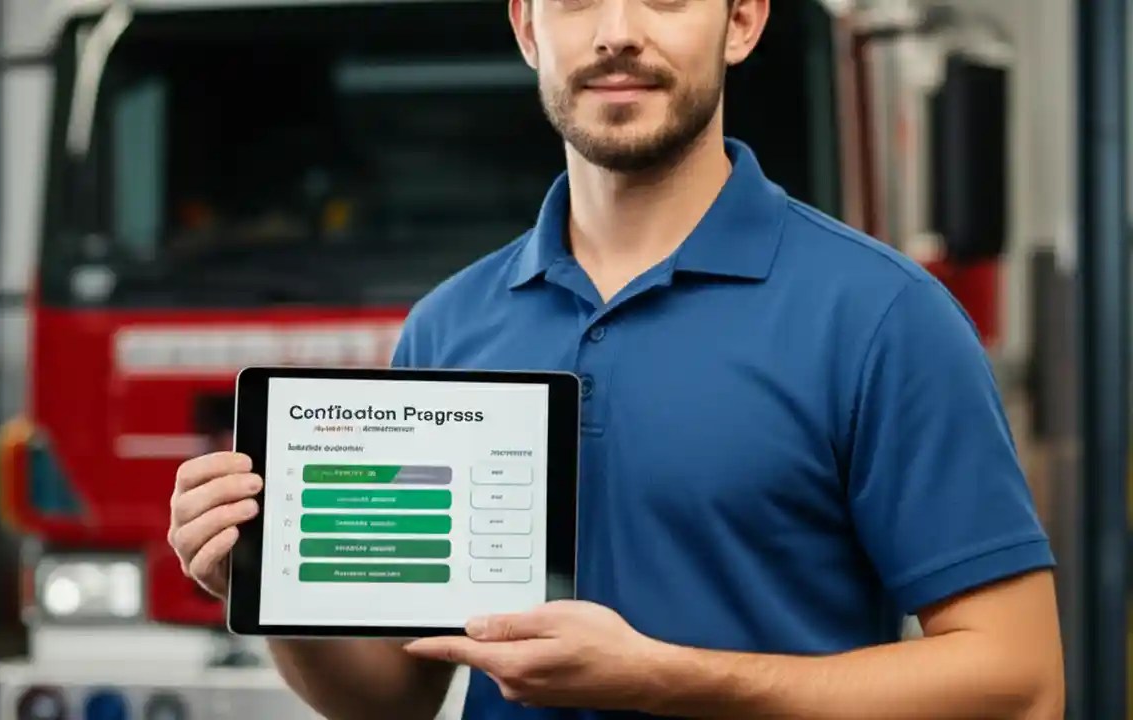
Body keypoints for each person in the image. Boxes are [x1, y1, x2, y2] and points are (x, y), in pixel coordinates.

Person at [168, 0, 1065, 717]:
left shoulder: (882, 316)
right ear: (527, 27)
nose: (617, 33)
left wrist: (660, 677)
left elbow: (1020, 685)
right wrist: (265, 580)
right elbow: (395, 701)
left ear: (742, 20)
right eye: (577, 1)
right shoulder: (449, 326)